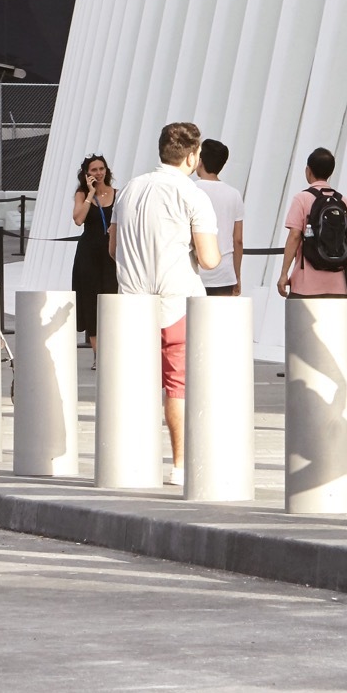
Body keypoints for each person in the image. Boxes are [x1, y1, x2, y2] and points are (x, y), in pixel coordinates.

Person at [111, 123, 218, 486]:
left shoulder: (129, 191)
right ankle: (180, 464)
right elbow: (208, 258)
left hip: (131, 304)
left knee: (137, 382)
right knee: (178, 386)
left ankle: (134, 460)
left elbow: (113, 250)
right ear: (192, 156)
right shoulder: (193, 195)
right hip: (177, 302)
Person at [278, 148, 347, 298]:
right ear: (331, 172)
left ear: (308, 170)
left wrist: (284, 274)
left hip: (305, 286)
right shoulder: (343, 201)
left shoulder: (301, 199)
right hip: (338, 286)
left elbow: (294, 236)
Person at [71, 154, 119, 345]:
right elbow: (78, 219)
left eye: (101, 169)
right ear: (86, 174)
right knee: (91, 300)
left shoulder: (118, 193)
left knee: (111, 297)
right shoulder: (82, 194)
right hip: (88, 253)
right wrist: (91, 193)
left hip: (110, 253)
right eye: (94, 170)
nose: (99, 173)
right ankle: (97, 354)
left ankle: (111, 348)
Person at [195, 139, 245, 295]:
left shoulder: (190, 190)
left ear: (200, 161)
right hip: (224, 274)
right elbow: (238, 240)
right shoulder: (234, 194)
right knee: (219, 319)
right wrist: (237, 275)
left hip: (194, 273)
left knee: (192, 318)